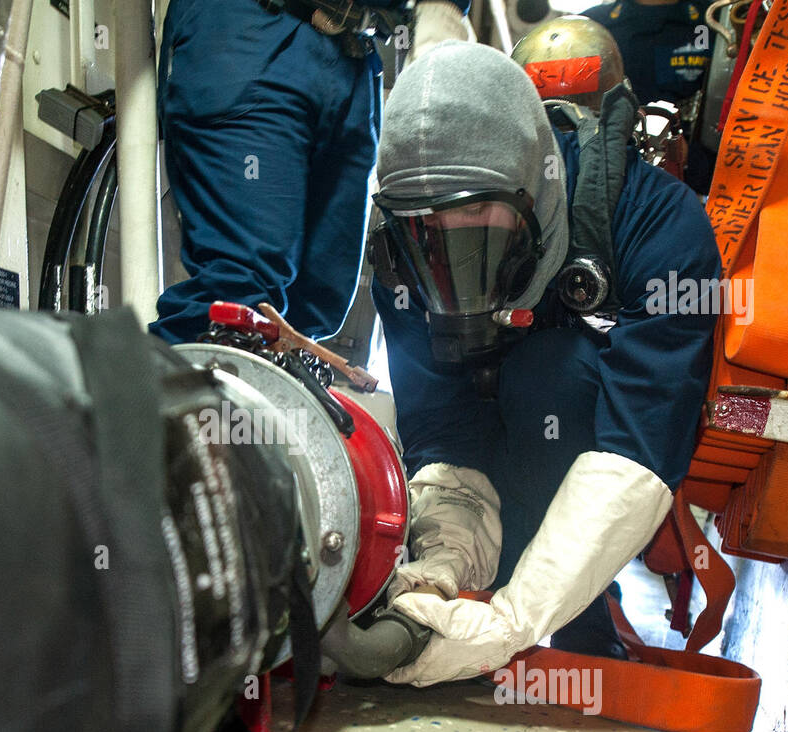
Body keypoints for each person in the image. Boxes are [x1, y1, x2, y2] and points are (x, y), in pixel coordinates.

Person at [366, 40, 721, 686]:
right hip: (490, 446)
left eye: (476, 214)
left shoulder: (661, 225)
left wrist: (514, 620)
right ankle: (484, 567)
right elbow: (441, 429)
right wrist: (443, 562)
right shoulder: (395, 258)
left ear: (533, 183)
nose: (453, 248)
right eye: (430, 226)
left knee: (548, 372)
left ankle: (583, 602)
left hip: (590, 441)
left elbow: (638, 450)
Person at [149, 0, 472, 345]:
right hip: (253, 32)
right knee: (237, 294)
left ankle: (263, 390)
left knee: (312, 312)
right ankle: (178, 394)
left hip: (353, 53)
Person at [581, 0, 716, 192]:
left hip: (702, 186)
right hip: (607, 186)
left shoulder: (717, 23)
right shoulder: (589, 28)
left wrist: (687, 158)